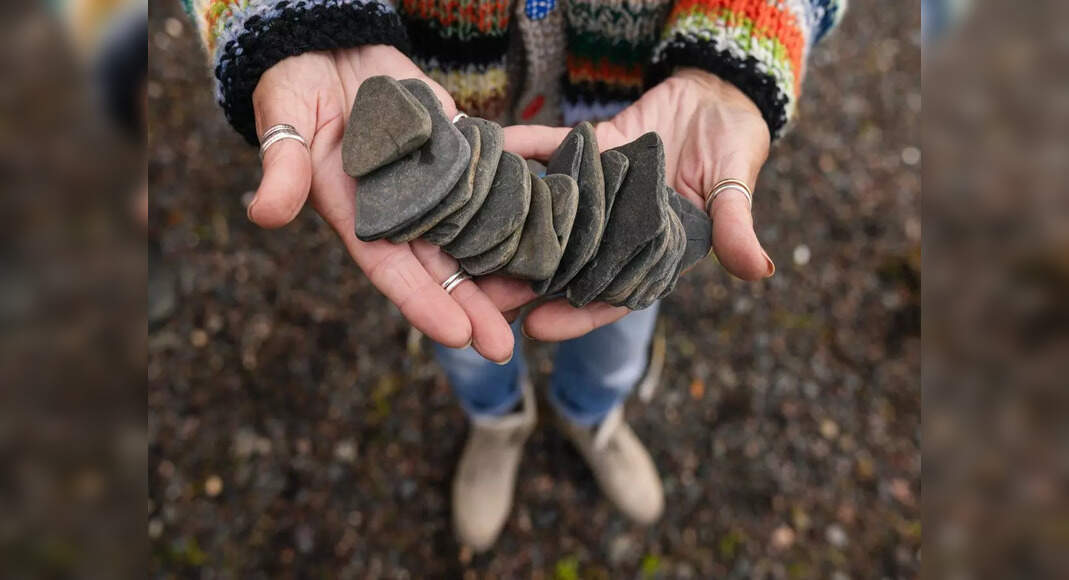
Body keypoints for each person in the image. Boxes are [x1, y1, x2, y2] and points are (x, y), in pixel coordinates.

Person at [184, 0, 844, 551]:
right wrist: (289, 18)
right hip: (443, 134)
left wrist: (738, 46)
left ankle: (592, 416)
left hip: (641, 161)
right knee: (464, 335)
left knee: (619, 322)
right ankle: (496, 420)